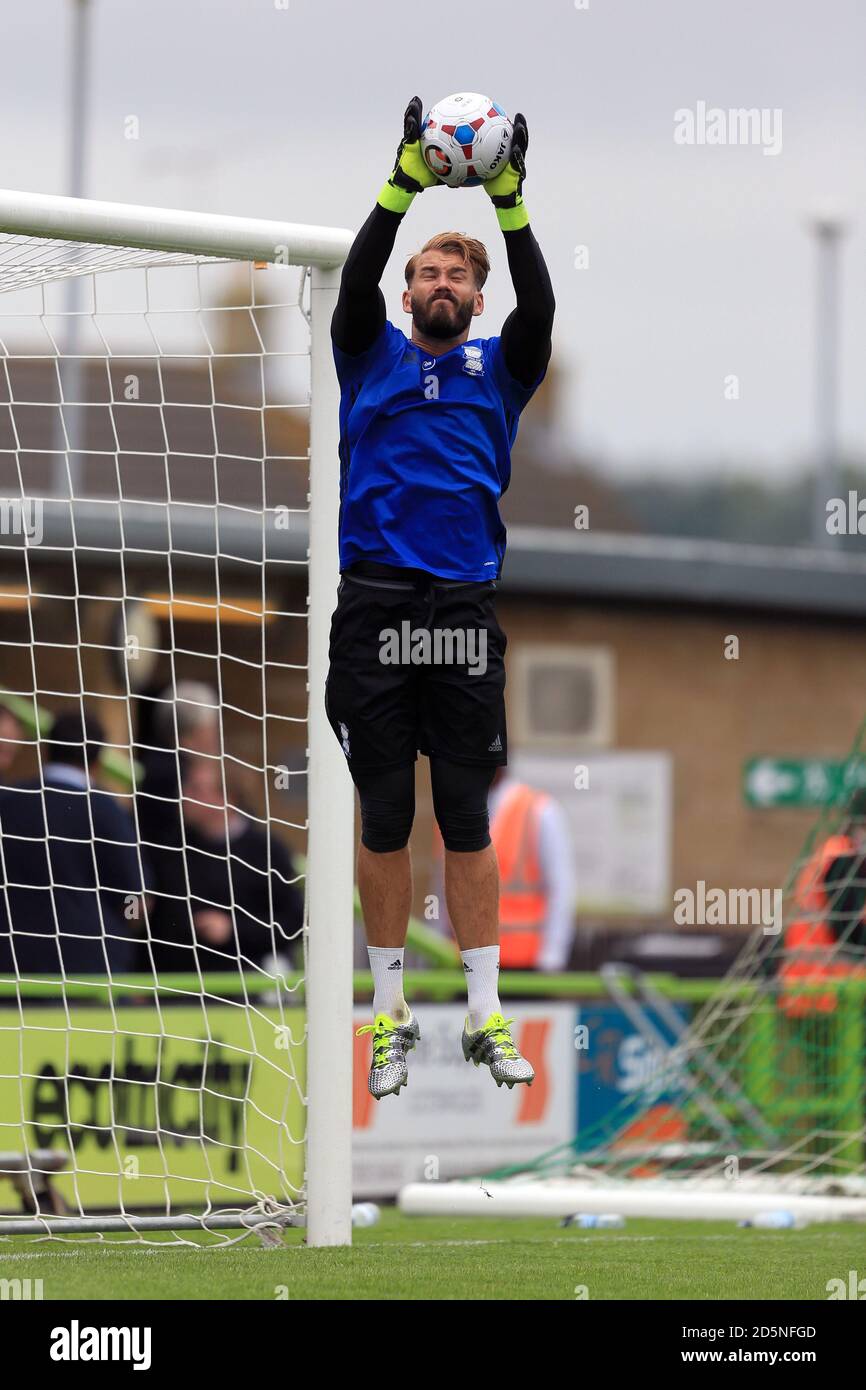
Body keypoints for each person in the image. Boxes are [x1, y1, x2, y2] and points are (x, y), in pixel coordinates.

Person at [325, 97, 555, 1098]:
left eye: (456, 274)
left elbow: (540, 308)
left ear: (475, 295)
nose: (439, 282)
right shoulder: (367, 351)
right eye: (426, 270)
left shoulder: (496, 368)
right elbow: (351, 279)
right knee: (382, 816)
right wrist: (401, 181)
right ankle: (386, 1016)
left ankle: (483, 1009)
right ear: (407, 288)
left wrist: (507, 200)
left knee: (463, 813)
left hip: (460, 610)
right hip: (373, 609)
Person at [0, 711, 144, 975]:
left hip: (12, 963)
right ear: (98, 760)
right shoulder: (106, 810)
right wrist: (128, 926)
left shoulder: (7, 803)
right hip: (89, 965)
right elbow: (133, 890)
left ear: (46, 751)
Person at [146, 755, 303, 975]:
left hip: (247, 991)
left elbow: (293, 923)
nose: (183, 795)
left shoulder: (266, 850)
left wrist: (232, 930)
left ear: (226, 798)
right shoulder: (170, 849)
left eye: (196, 789)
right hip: (178, 991)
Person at [432, 766, 576, 972]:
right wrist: (439, 949)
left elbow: (561, 888)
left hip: (524, 967)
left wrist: (552, 957)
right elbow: (441, 890)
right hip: (463, 962)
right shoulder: (451, 813)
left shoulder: (538, 810)